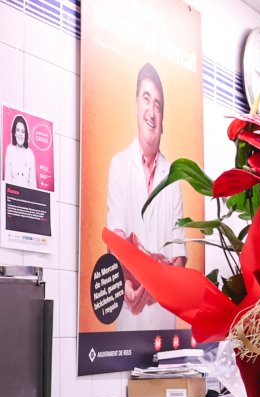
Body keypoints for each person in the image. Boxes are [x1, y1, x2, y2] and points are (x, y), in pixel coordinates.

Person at [106, 62, 185, 331]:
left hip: (163, 315)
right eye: (146, 99)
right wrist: (127, 287)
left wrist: (158, 287)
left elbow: (179, 254)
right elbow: (116, 238)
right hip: (129, 312)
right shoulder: (119, 164)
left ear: (163, 120)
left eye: (158, 105)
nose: (151, 111)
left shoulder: (173, 175)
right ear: (136, 104)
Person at [4, 115, 36, 189]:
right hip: (12, 193)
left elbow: (33, 185)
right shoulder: (10, 150)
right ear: (14, 133)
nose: (20, 134)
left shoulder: (30, 154)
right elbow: (7, 180)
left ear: (26, 134)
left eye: (23, 131)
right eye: (18, 130)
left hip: (27, 195)